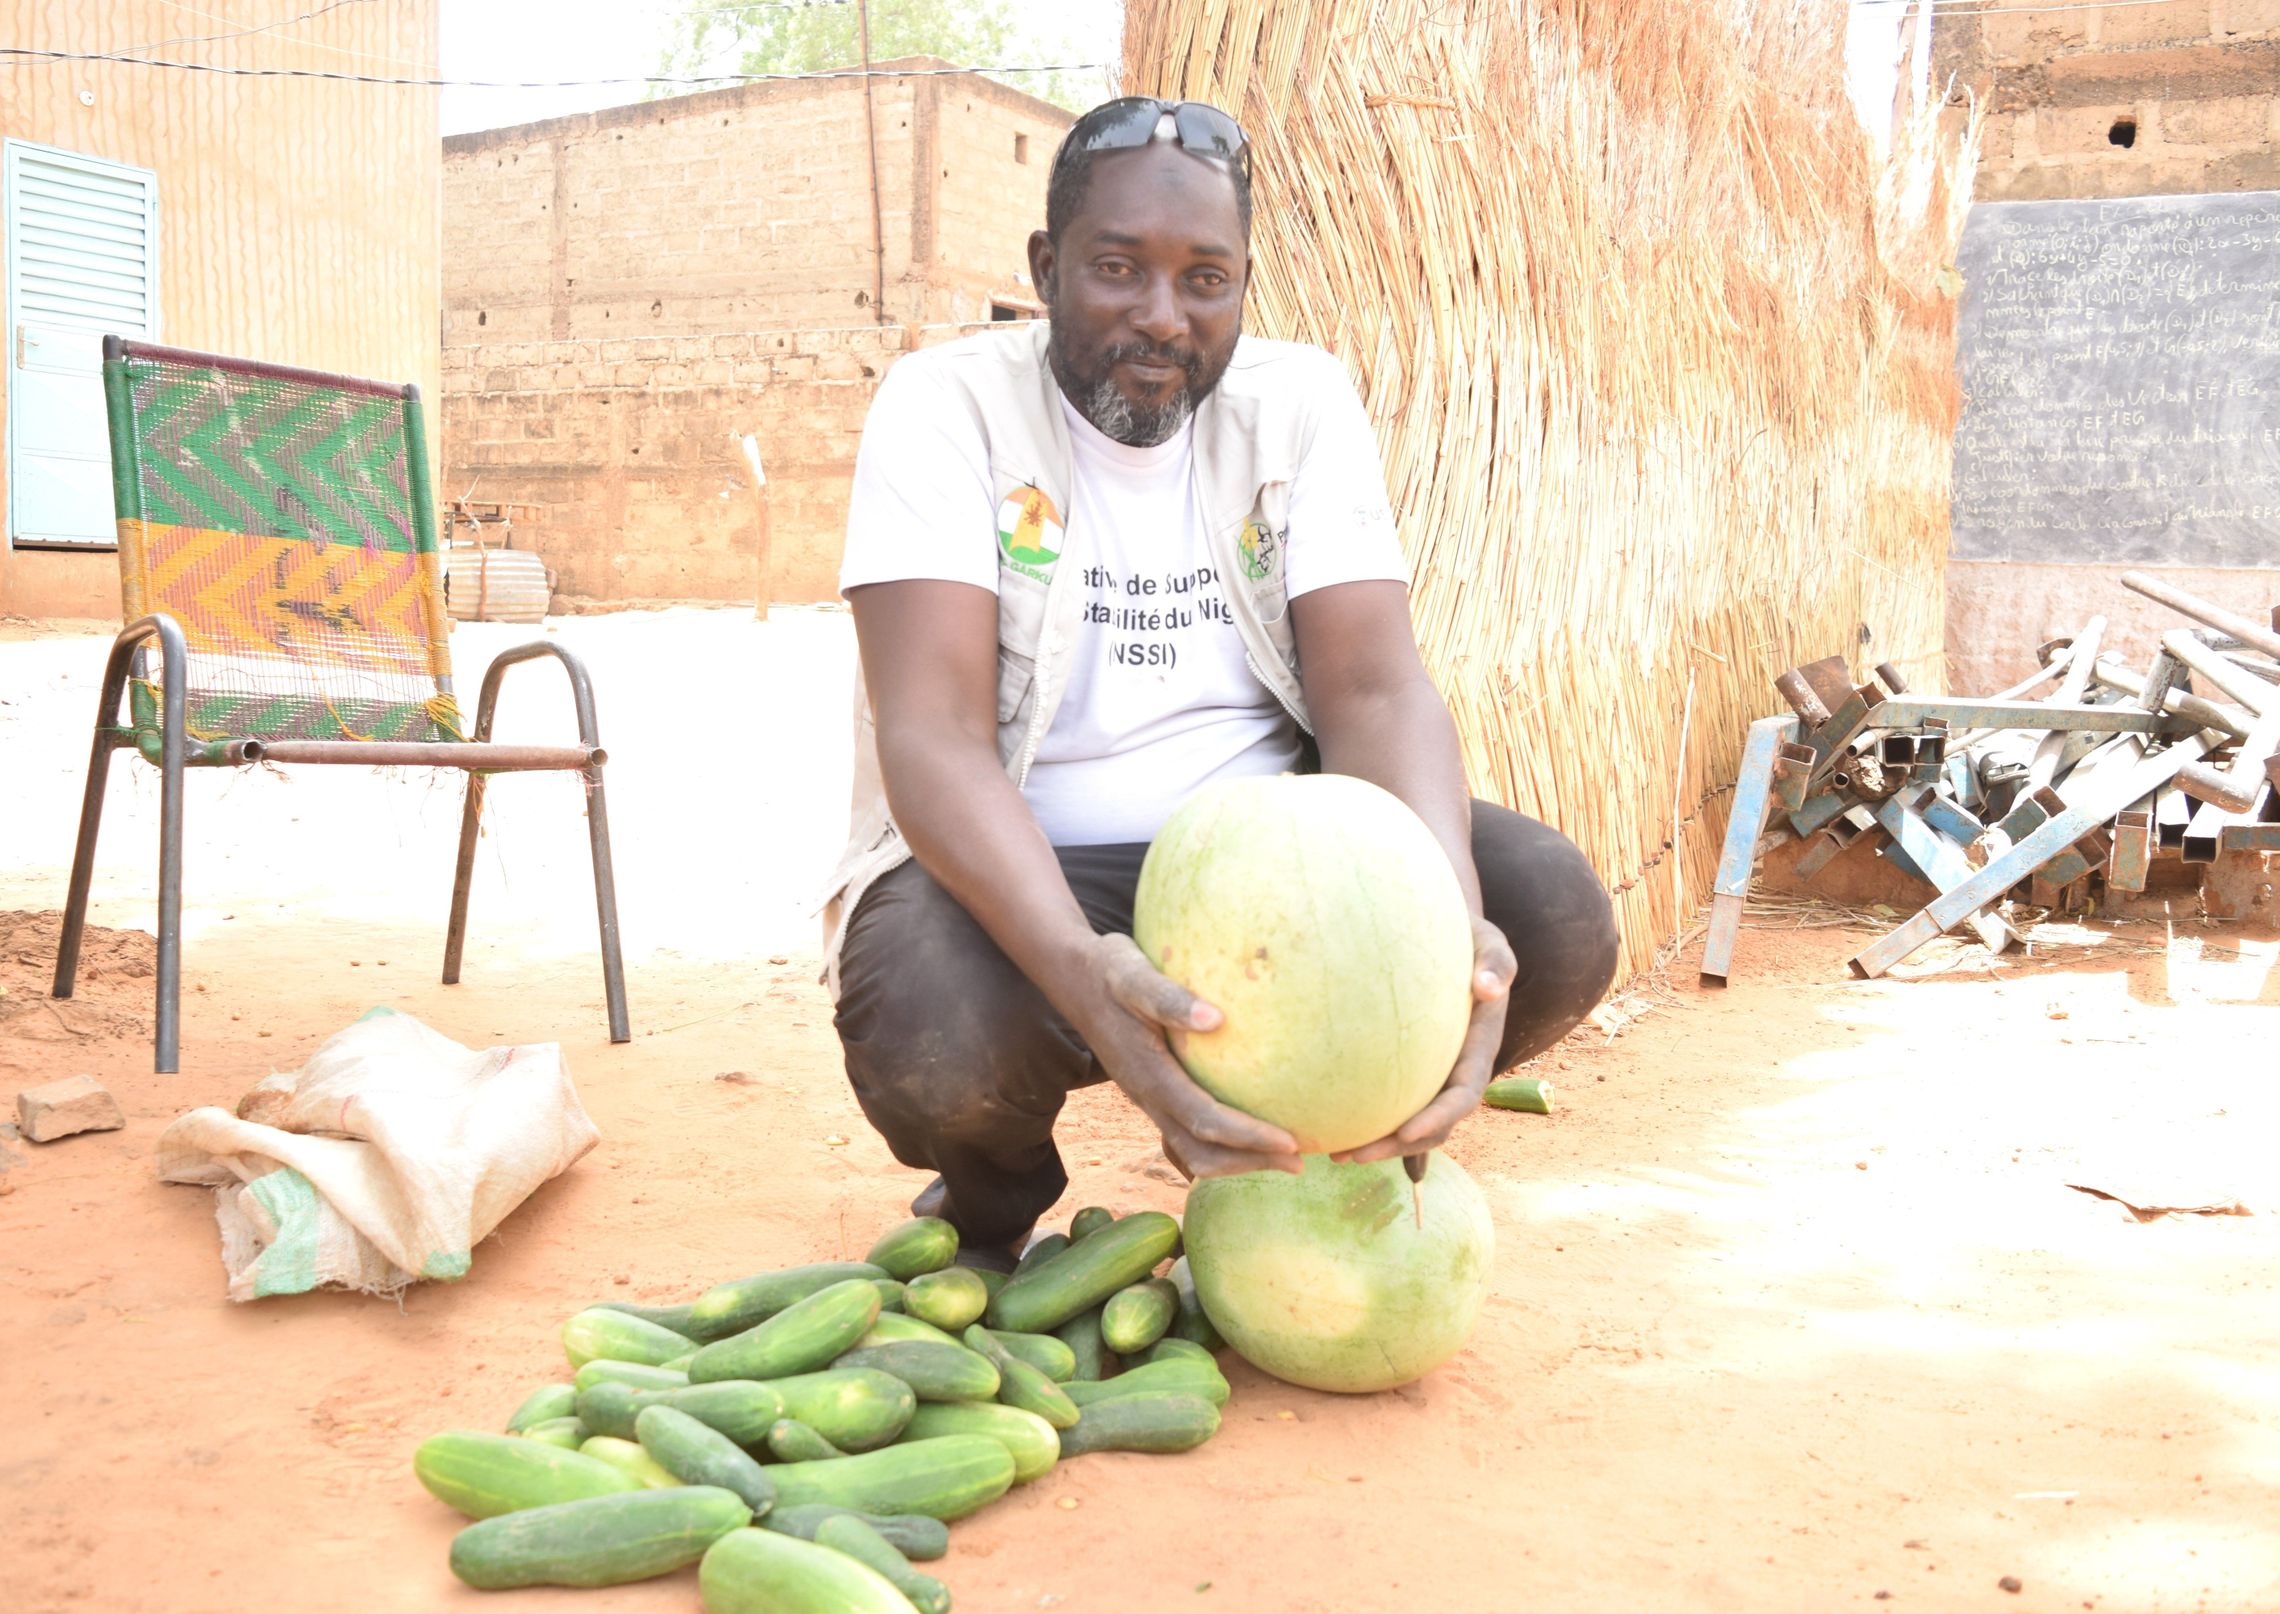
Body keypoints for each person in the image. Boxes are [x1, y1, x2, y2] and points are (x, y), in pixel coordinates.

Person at [823, 96, 1618, 1269]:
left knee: (1543, 912)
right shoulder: (946, 410)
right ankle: (996, 1198)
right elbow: (933, 736)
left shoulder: (1298, 405)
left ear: (1243, 285)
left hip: (1274, 855)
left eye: (1207, 280)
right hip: (1033, 861)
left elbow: (1378, 695)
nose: (1161, 317)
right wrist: (1091, 986)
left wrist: (1437, 934)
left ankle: (1281, 1153)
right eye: (1115, 269)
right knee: (932, 1027)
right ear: (1045, 268)